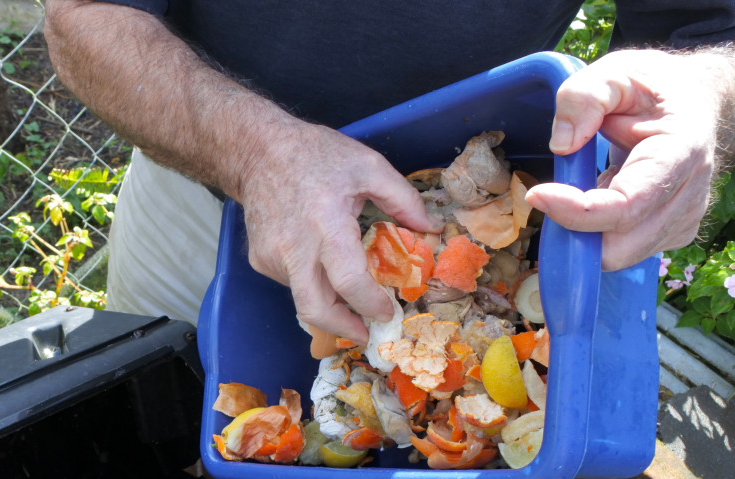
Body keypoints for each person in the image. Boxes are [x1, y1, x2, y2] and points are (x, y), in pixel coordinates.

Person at [43, 1, 735, 344]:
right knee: (155, 417)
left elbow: (710, 33)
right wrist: (258, 156)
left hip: (477, 234)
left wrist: (700, 91)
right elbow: (87, 16)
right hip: (205, 200)